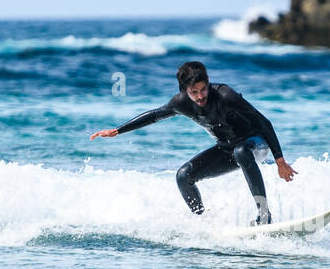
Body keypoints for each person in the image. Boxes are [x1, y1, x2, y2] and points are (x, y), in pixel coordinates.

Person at [90, 61, 296, 224]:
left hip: (255, 143)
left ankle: (264, 215)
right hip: (227, 150)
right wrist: (118, 130)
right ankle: (203, 221)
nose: (200, 96)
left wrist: (280, 160)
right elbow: (154, 115)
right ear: (184, 91)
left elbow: (264, 122)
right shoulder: (180, 103)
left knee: (242, 151)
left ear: (208, 83)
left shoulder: (226, 95)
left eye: (203, 89)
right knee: (183, 176)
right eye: (194, 92)